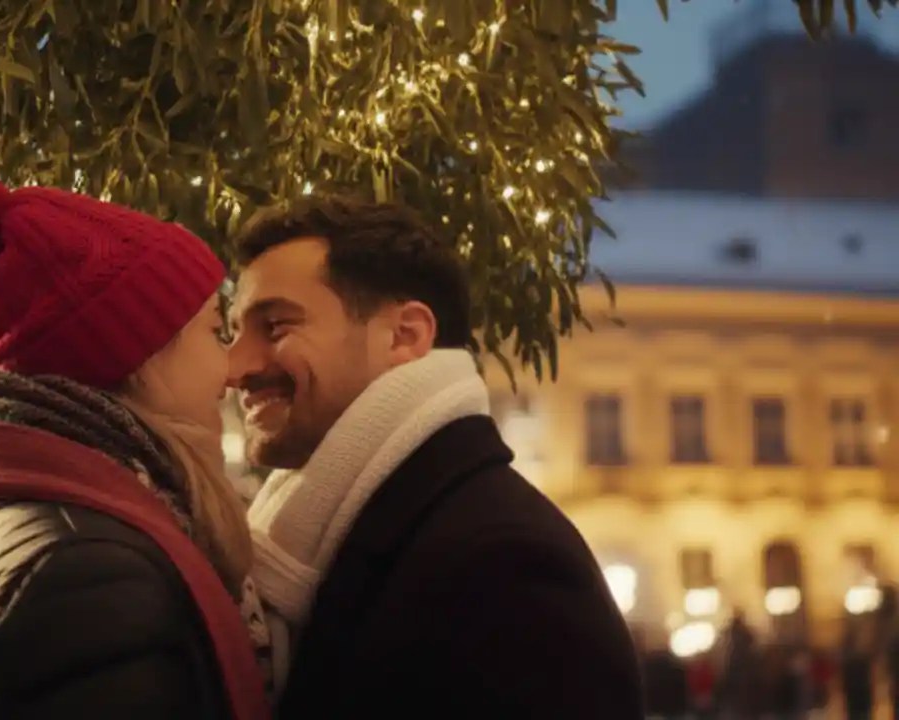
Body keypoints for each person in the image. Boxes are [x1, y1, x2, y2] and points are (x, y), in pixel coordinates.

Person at [226, 195, 644, 718]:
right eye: (233, 331)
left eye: (277, 326)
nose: (234, 366)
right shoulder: (340, 534)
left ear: (405, 336)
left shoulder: (504, 564)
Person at [0, 174, 269, 719]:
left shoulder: (2, 516)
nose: (230, 370)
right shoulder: (96, 571)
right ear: (141, 355)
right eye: (212, 330)